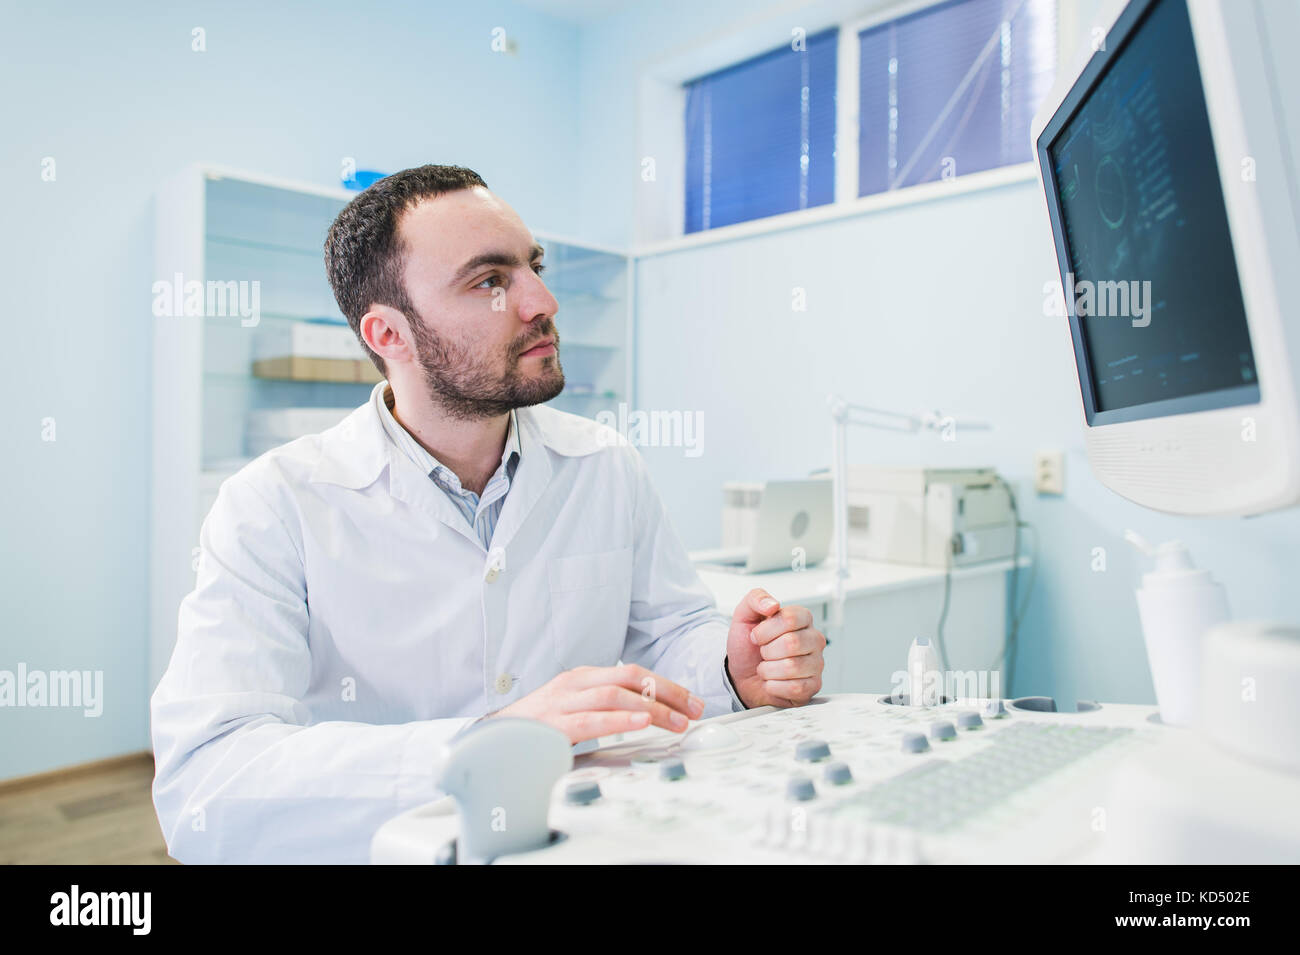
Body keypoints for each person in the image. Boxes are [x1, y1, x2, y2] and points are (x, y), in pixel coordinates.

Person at [150, 164, 826, 863]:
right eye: (489, 280)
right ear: (389, 336)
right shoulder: (274, 503)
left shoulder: (605, 464)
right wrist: (486, 741)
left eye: (533, 265)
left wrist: (730, 666)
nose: (542, 299)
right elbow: (208, 783)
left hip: (574, 837)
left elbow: (668, 629)